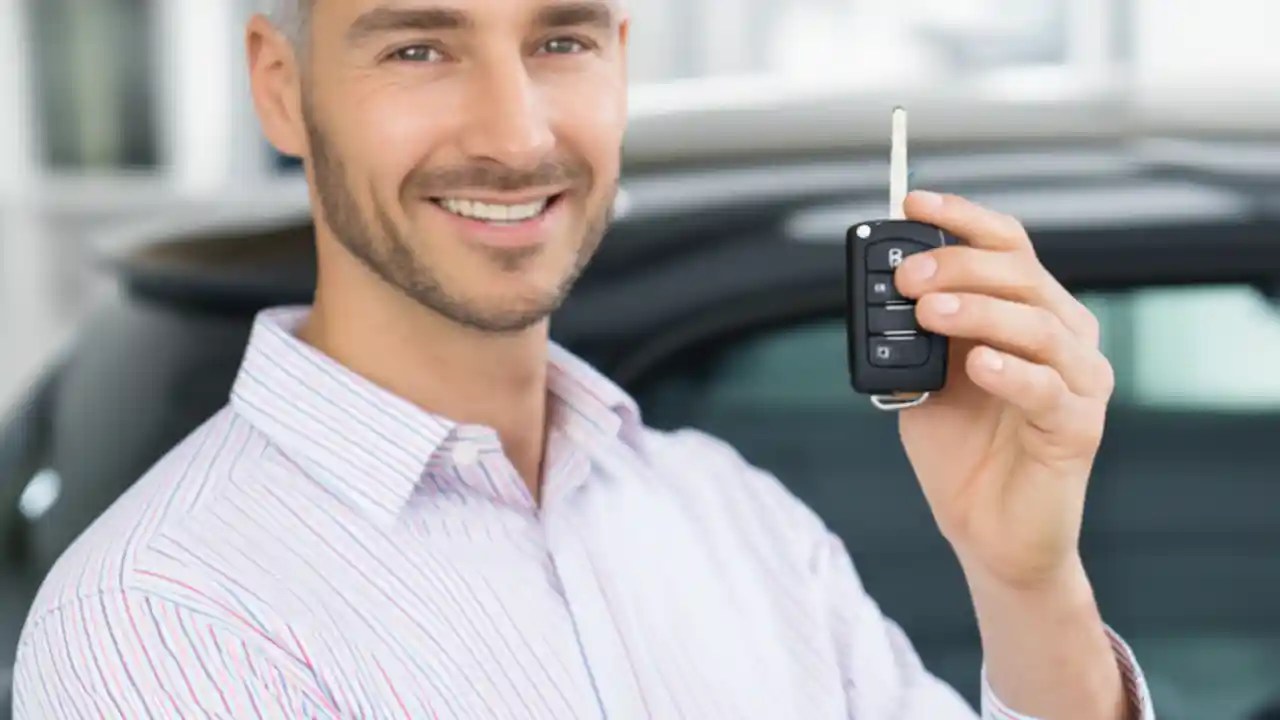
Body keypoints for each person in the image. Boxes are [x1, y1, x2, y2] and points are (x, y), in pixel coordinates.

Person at [12, 1, 1154, 718]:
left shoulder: (731, 516)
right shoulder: (162, 623)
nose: (514, 137)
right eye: (419, 44)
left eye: (558, 39)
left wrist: (1023, 583)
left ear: (617, 60)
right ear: (280, 87)